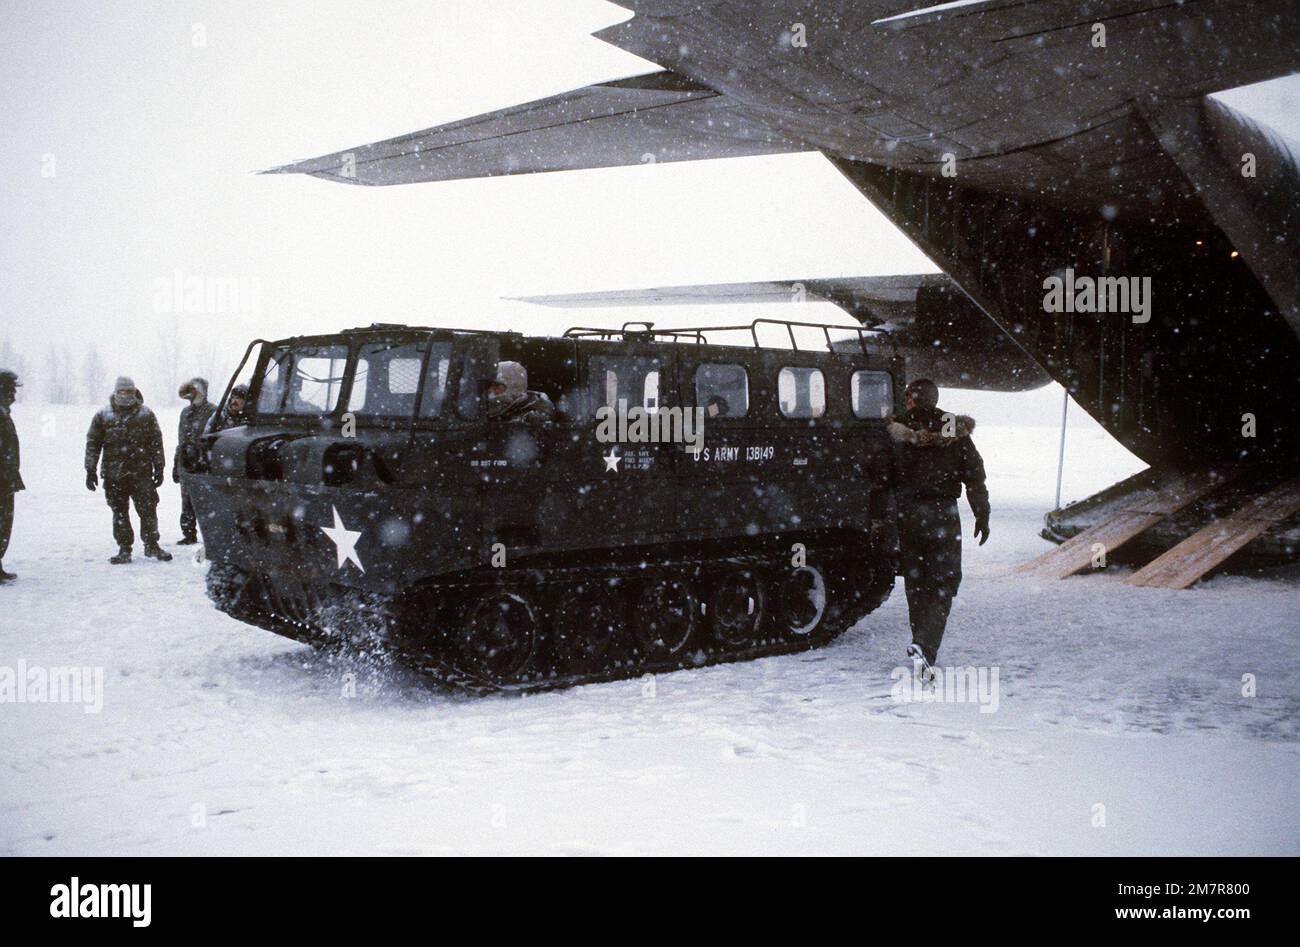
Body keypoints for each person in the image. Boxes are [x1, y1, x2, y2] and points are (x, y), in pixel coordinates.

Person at [887, 378, 989, 680]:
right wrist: (982, 514)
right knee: (943, 584)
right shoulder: (952, 427)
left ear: (911, 398)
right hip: (942, 515)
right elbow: (975, 476)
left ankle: (921, 644)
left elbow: (881, 476)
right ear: (934, 398)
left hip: (907, 515)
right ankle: (925, 646)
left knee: (916, 585)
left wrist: (881, 520)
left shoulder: (896, 428)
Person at [85, 377, 172, 564]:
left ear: (135, 392)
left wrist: (160, 467)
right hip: (113, 473)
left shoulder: (146, 414)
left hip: (141, 473)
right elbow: (93, 443)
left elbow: (156, 442)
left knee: (148, 510)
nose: (126, 395)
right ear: (116, 392)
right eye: (123, 391)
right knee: (119, 512)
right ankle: (124, 549)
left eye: (130, 391)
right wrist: (90, 469)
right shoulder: (103, 415)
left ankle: (152, 545)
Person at [175, 377, 216, 544]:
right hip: (186, 463)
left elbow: (214, 439)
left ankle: (210, 536)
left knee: (206, 502)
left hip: (203, 463)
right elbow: (181, 439)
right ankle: (188, 534)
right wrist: (176, 462)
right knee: (186, 501)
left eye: (194, 390)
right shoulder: (185, 413)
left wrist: (205, 459)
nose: (191, 394)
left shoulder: (213, 411)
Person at [0, 369, 23, 583]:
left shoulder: (3, 412)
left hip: (6, 479)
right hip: (2, 479)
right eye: (10, 390)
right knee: (2, 523)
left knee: (3, 524)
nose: (14, 396)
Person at [486, 361, 555, 425]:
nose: (490, 389)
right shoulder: (485, 412)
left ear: (513, 386)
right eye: (489, 385)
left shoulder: (532, 420)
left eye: (497, 385)